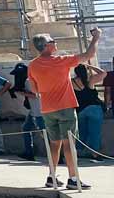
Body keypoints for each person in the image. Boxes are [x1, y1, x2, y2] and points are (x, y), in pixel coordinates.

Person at [28, 28, 101, 190]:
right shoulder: (61, 60)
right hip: (65, 107)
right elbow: (88, 55)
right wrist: (96, 38)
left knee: (54, 144)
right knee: (69, 144)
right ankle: (73, 179)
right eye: (52, 41)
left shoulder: (32, 65)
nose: (56, 43)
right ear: (47, 45)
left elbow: (34, 90)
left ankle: (51, 177)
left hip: (47, 109)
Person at [73, 63, 106, 159]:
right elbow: (103, 73)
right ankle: (95, 154)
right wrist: (90, 66)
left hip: (80, 110)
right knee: (95, 133)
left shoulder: (72, 82)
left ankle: (77, 151)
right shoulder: (90, 80)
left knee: (81, 132)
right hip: (95, 109)